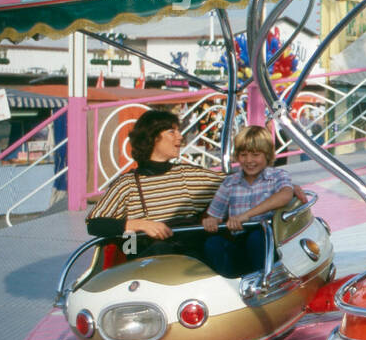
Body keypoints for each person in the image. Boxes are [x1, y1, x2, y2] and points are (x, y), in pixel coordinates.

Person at [87, 109, 221, 259]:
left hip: (189, 255)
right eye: (172, 132)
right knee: (160, 250)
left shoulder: (188, 174)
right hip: (148, 258)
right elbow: (94, 223)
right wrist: (141, 225)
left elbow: (232, 184)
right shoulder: (127, 184)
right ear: (153, 138)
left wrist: (213, 216)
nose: (180, 137)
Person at [201, 126, 297, 278]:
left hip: (270, 240)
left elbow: (285, 195)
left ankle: (266, 281)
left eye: (255, 155)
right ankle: (229, 285)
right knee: (213, 244)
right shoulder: (230, 183)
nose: (249, 161)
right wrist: (211, 221)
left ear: (267, 155)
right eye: (243, 155)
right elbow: (214, 215)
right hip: (239, 241)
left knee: (256, 238)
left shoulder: (277, 175)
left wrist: (246, 216)